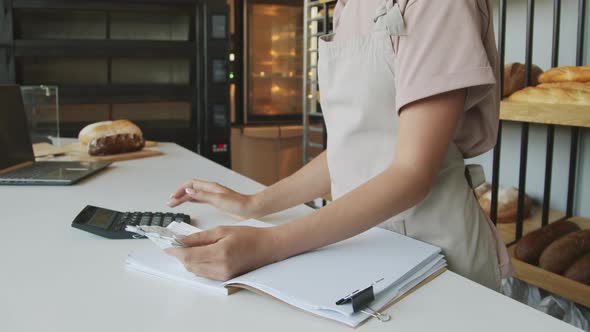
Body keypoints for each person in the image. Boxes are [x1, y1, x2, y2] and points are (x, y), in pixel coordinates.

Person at [167, 0, 512, 291]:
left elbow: (412, 172)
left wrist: (271, 243)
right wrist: (254, 204)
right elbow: (356, 149)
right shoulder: (347, 6)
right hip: (360, 246)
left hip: (436, 257)